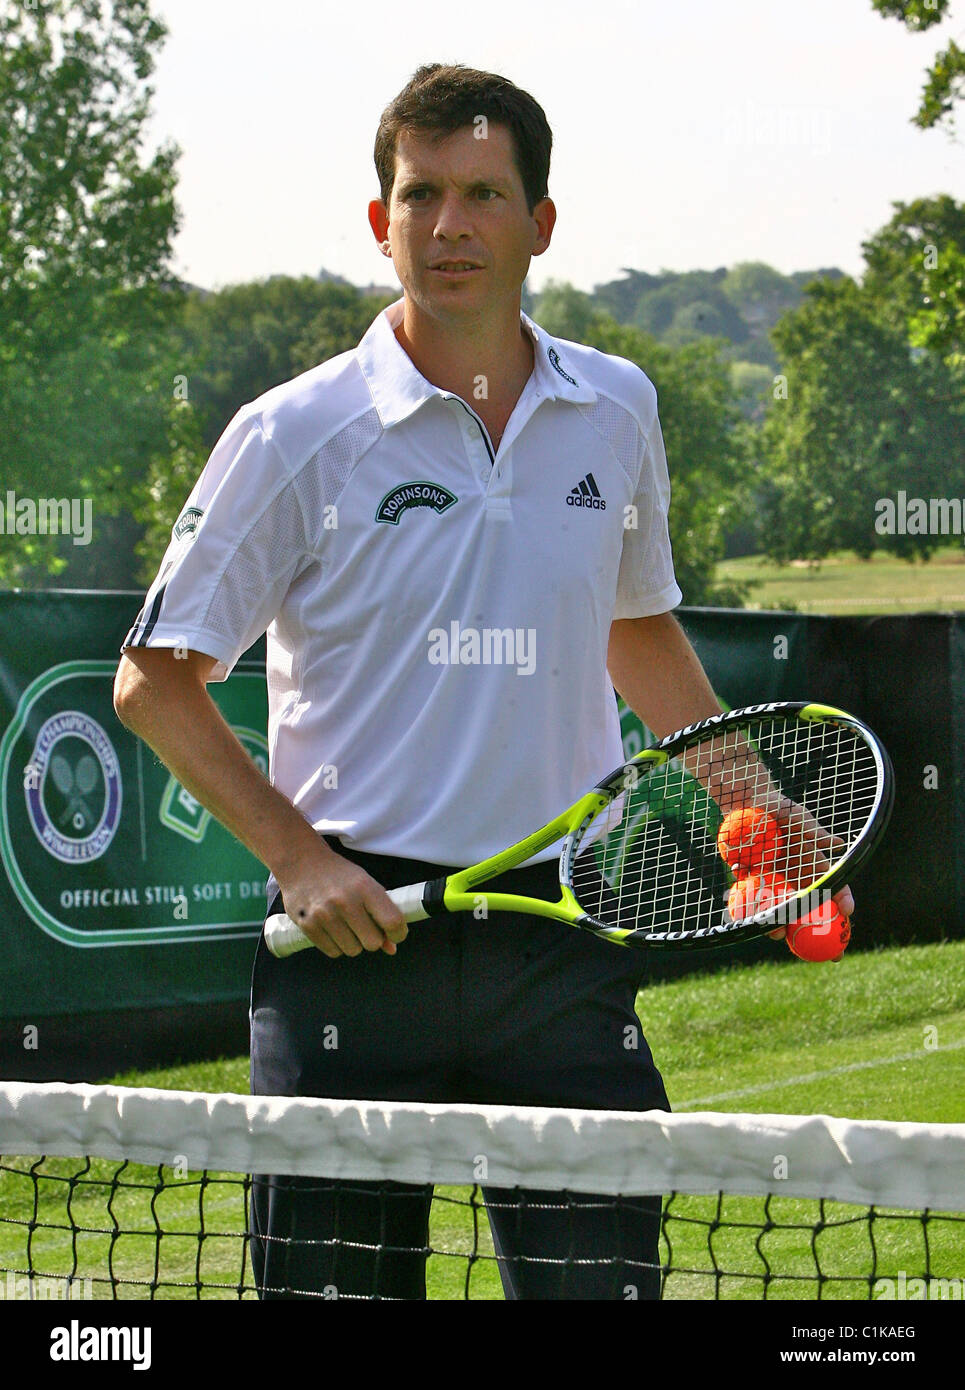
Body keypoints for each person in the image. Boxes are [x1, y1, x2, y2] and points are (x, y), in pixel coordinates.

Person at [114, 62, 852, 1300]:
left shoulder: (615, 408)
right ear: (379, 222)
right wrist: (300, 860)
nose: (448, 226)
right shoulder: (290, 432)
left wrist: (760, 813)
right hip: (347, 943)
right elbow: (154, 682)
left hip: (561, 936)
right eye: (420, 195)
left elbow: (638, 633)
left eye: (482, 195)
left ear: (539, 225)